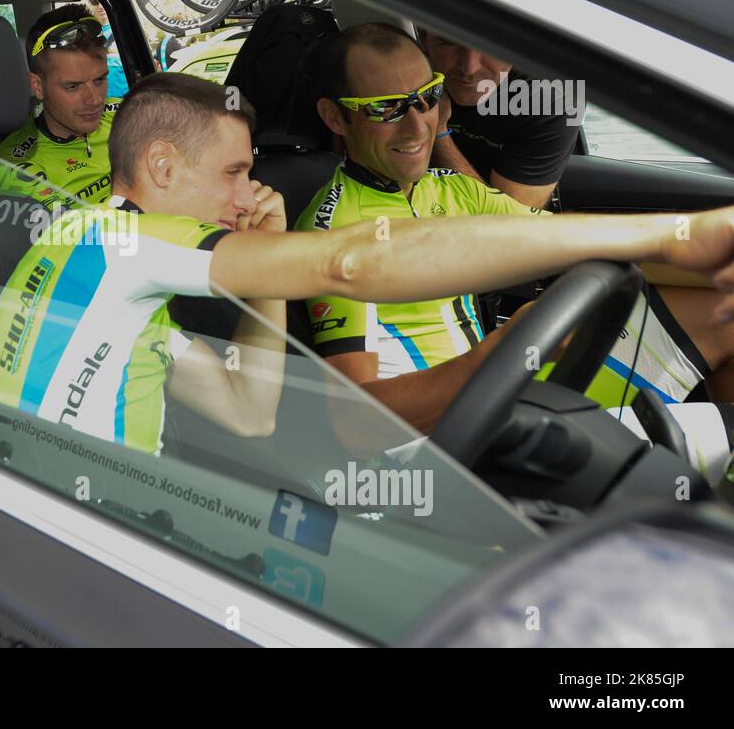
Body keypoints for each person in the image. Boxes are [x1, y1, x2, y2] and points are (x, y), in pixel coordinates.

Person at [0, 71, 734, 456]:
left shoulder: (103, 262)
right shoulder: (118, 243)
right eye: (235, 172)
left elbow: (250, 411)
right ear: (163, 168)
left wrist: (265, 265)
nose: (249, 192)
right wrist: (663, 239)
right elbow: (351, 265)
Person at [297, 22, 734, 432]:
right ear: (336, 119)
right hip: (449, 452)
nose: (417, 126)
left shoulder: (451, 192)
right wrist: (499, 351)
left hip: (503, 398)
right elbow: (356, 425)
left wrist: (711, 257)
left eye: (427, 97)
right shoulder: (335, 233)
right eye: (386, 108)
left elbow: (576, 244)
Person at [419, 27, 580, 209]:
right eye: (448, 40)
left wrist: (438, 130)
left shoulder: (551, 97)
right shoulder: (402, 75)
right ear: (423, 39)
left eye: (490, 44)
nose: (469, 68)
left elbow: (507, 222)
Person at [0, 4, 119, 211]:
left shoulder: (129, 116)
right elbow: (76, 238)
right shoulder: (16, 166)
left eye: (99, 80)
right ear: (37, 87)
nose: (94, 100)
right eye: (73, 86)